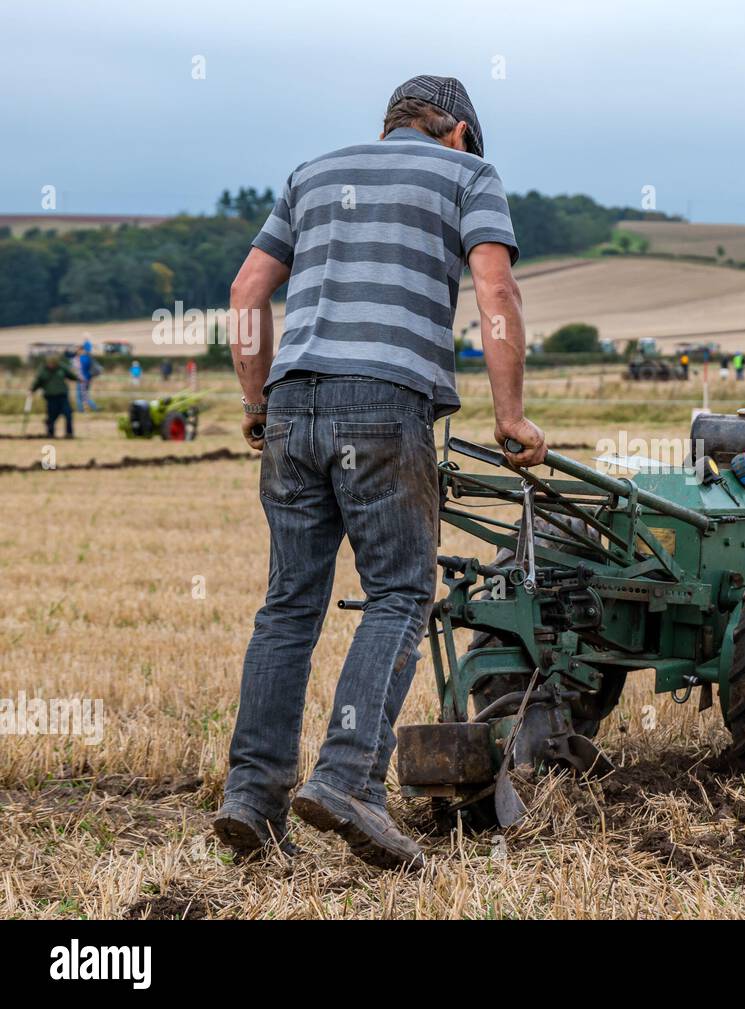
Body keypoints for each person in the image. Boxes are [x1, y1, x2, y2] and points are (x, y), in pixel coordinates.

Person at [214, 75, 546, 871]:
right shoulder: (470, 177)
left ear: (393, 124)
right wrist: (510, 416)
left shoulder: (313, 171)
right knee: (399, 592)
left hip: (294, 402)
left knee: (289, 603)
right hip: (384, 402)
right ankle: (350, 779)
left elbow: (246, 292)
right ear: (460, 132)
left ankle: (252, 799)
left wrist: (258, 401)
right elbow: (496, 290)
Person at [31, 354, 77, 438]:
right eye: (50, 363)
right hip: (50, 397)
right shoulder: (42, 371)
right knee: (52, 416)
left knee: (68, 414)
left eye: (53, 363)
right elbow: (38, 382)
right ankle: (50, 433)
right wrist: (32, 389)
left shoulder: (61, 368)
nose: (51, 365)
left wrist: (78, 379)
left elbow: (71, 375)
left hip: (62, 396)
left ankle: (69, 434)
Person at [75, 340, 100, 412]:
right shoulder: (88, 357)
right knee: (85, 396)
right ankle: (94, 408)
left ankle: (81, 410)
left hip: (82, 379)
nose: (76, 351)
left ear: (81, 350)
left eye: (77, 350)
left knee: (80, 397)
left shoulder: (81, 358)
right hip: (88, 378)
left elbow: (79, 369)